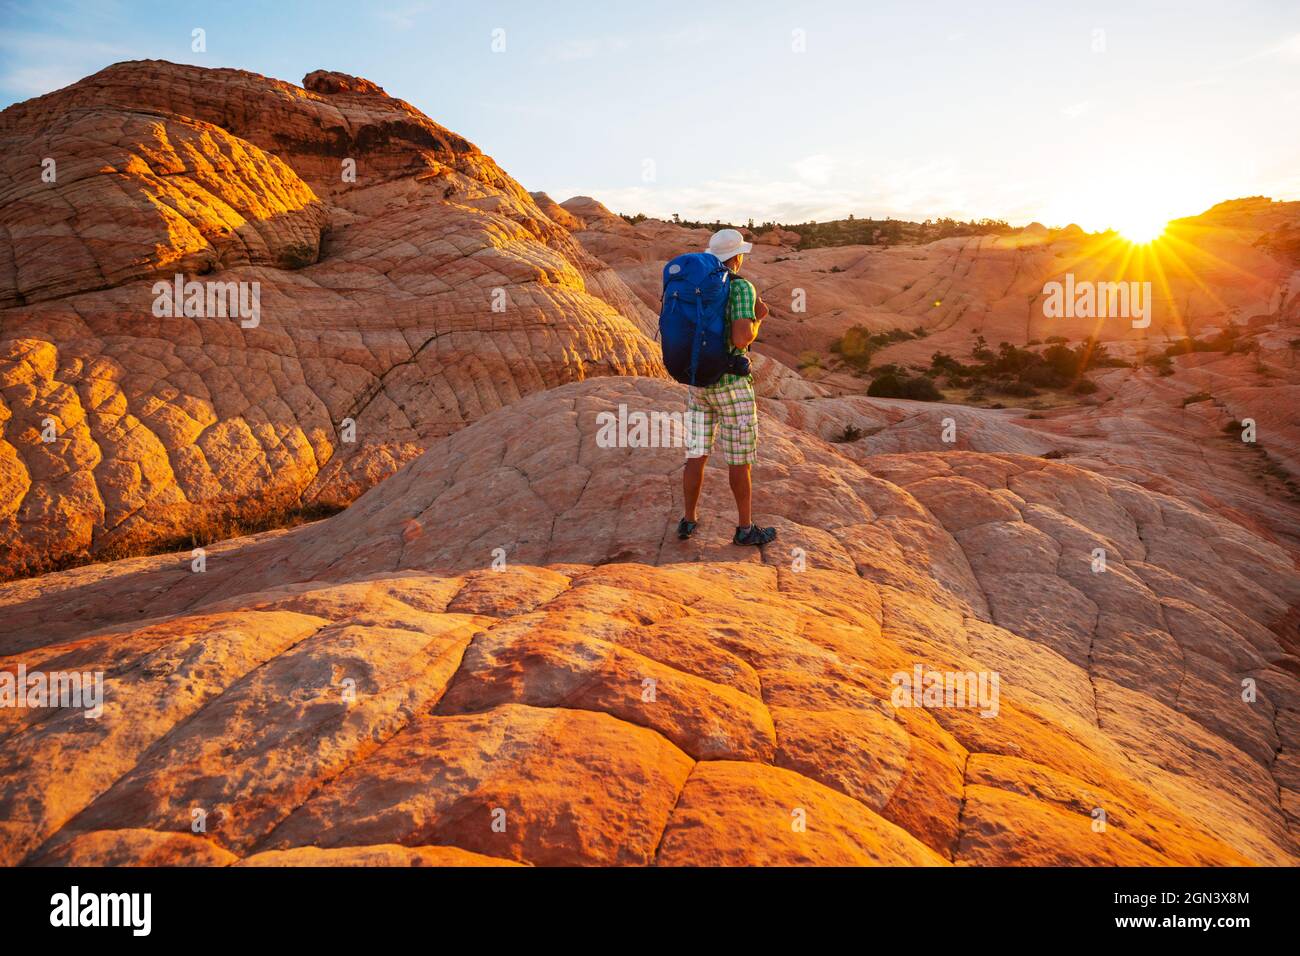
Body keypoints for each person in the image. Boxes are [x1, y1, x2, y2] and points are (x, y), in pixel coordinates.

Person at [677, 228, 778, 546]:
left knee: (696, 455)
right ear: (737, 257)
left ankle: (689, 520)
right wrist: (759, 319)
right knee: (739, 459)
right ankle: (745, 528)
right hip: (731, 384)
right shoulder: (741, 287)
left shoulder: (694, 285)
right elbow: (740, 338)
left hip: (698, 382)